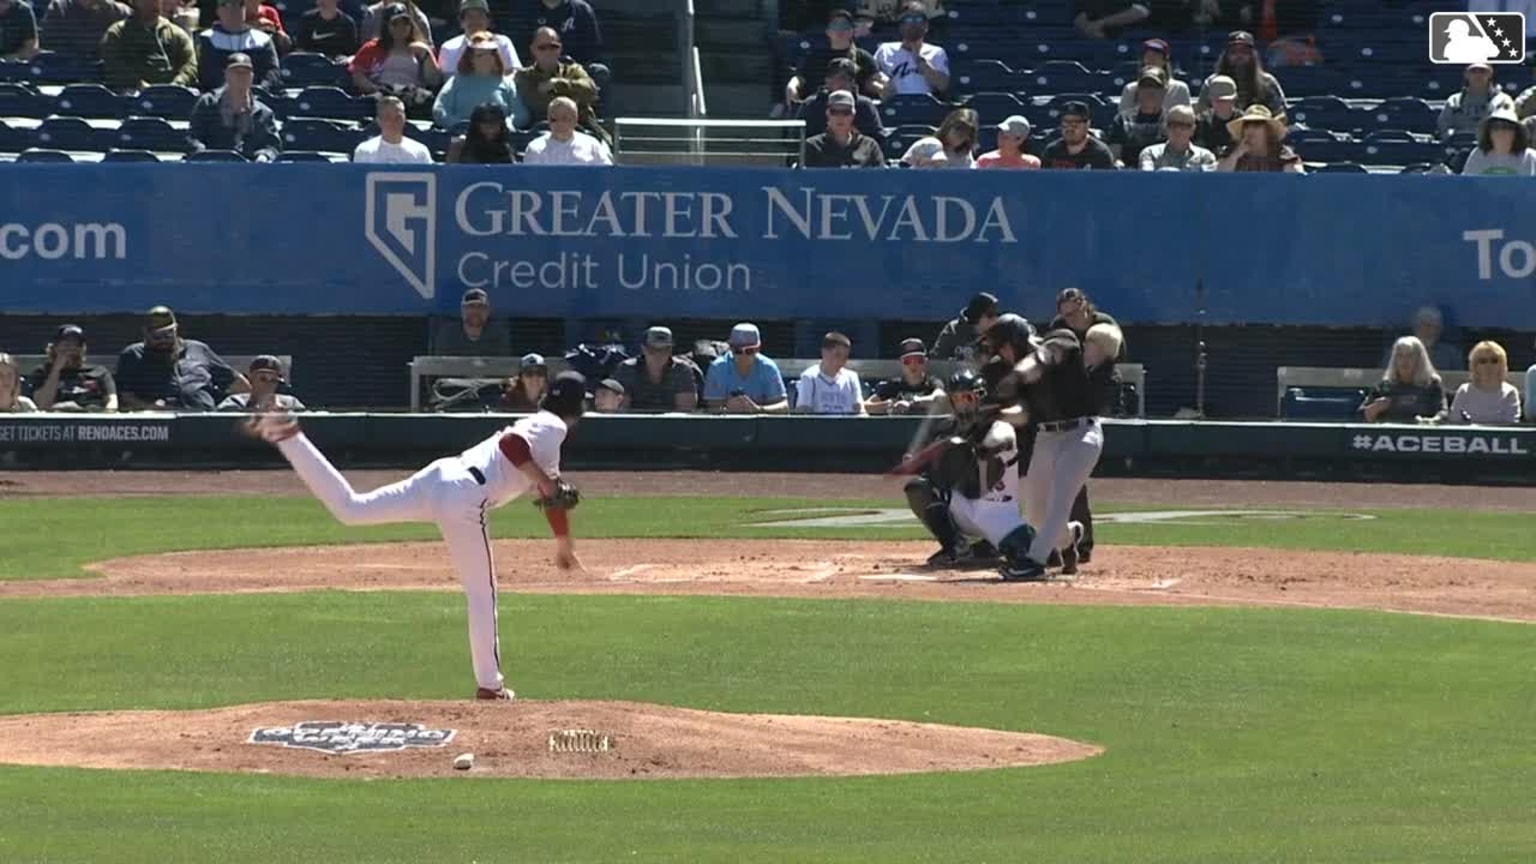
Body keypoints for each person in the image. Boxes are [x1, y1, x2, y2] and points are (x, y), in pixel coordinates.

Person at [243, 371, 591, 701]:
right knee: (481, 594)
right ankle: (491, 687)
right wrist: (544, 482)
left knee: (352, 509)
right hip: (465, 495)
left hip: (440, 475)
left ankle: (288, 436)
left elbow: (551, 493)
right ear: (579, 408)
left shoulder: (541, 426)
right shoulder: (553, 426)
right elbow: (513, 447)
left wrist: (563, 541)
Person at [994, 317, 1124, 580]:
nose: (1086, 346)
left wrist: (1020, 373)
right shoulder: (1054, 368)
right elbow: (1026, 411)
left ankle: (1034, 561)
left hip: (1081, 435)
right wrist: (994, 413)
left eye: (1093, 343)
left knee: (1060, 499)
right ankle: (1069, 537)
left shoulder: (1082, 358)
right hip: (1047, 436)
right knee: (1034, 511)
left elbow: (1050, 355)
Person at [897, 366, 1037, 572]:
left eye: (967, 398)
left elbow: (1001, 440)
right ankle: (956, 546)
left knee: (1030, 552)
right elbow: (936, 472)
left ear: (979, 398)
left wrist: (980, 448)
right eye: (958, 399)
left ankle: (995, 545)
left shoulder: (996, 426)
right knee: (918, 488)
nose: (962, 404)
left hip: (997, 510)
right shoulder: (947, 429)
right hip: (965, 507)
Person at [1047, 287, 1122, 564]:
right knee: (1059, 481)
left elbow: (1111, 361)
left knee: (1072, 480)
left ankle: (1081, 542)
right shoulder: (1059, 329)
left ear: (1085, 305)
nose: (1071, 317)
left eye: (1075, 310)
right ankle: (1059, 540)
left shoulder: (1104, 326)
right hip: (1061, 411)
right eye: (1066, 313)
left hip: (1088, 411)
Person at [114, 306, 249, 411]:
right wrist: (150, 407)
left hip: (203, 415)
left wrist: (250, 404)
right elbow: (126, 397)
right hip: (162, 418)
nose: (163, 341)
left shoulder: (198, 349)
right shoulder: (133, 355)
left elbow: (235, 382)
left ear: (176, 330)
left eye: (168, 335)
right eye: (157, 337)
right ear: (145, 333)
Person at [186, 53, 282, 162]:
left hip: (251, 169)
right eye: (236, 72)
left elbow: (272, 145)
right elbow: (193, 137)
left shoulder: (264, 113)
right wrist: (202, 154)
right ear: (226, 75)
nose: (241, 77)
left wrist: (264, 156)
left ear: (252, 77)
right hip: (212, 166)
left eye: (246, 73)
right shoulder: (207, 104)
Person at [349, 2, 440, 110]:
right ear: (386, 25)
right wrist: (375, 88)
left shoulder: (421, 49)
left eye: (405, 23)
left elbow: (434, 80)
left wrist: (425, 54)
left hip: (412, 98)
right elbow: (357, 74)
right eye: (395, 23)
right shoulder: (372, 48)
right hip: (382, 96)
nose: (400, 27)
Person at [785, 8, 882, 109]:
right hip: (819, 106)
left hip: (854, 108)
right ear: (828, 32)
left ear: (852, 31)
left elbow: (877, 79)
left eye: (845, 26)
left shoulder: (863, 57)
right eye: (835, 26)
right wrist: (792, 86)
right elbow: (799, 79)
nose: (840, 30)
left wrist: (883, 87)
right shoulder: (814, 57)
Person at [432, 32, 529, 131]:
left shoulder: (507, 83)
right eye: (480, 55)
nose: (486, 58)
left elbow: (521, 114)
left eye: (490, 54)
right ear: (471, 58)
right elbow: (439, 110)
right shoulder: (456, 82)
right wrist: (460, 126)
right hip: (463, 137)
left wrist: (506, 124)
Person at [100, 0, 198, 92]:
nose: (153, 3)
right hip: (131, 96)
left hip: (171, 95)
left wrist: (177, 83)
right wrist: (139, 84)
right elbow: (114, 64)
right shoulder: (117, 33)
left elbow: (190, 64)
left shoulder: (175, 34)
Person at [194, 0, 282, 93]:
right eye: (226, 4)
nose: (234, 9)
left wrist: (260, 89)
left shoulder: (262, 39)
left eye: (240, 4)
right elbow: (209, 73)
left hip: (259, 96)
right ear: (218, 10)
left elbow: (272, 72)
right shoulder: (207, 39)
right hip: (219, 98)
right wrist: (232, 92)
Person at [26, 324, 117, 412]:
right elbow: (41, 405)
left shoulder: (99, 372)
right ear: (54, 348)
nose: (71, 349)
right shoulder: (42, 372)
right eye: (66, 345)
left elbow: (112, 401)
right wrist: (56, 370)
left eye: (76, 345)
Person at [702, 323, 788, 414]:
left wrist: (758, 409)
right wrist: (727, 409)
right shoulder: (718, 368)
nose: (743, 355)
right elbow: (711, 408)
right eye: (738, 351)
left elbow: (784, 406)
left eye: (749, 351)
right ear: (730, 348)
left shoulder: (768, 367)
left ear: (758, 349)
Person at [1359, 336, 1446, 424]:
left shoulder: (1432, 385)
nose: (1404, 360)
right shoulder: (1384, 386)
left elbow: (1443, 413)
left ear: (1420, 359)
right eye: (1400, 356)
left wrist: (1433, 421)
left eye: (1410, 355)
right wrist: (1374, 409)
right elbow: (1359, 417)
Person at [1196, 30, 1285, 116]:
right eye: (1234, 52)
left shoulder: (1268, 82)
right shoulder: (1212, 82)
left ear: (1252, 56)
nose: (1239, 56)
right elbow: (1202, 115)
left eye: (1244, 52)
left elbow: (1281, 114)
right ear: (1226, 56)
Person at [612, 326, 699, 412]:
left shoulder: (682, 370)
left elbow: (685, 411)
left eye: (665, 350)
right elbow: (621, 410)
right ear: (643, 348)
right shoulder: (626, 369)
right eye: (652, 350)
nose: (658, 355)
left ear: (671, 350)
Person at [873, 1, 949, 97]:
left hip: (925, 104)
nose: (913, 24)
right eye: (908, 19)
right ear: (900, 25)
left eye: (918, 19)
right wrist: (881, 86)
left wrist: (920, 60)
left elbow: (943, 86)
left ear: (926, 26)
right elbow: (871, 79)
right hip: (893, 102)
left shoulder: (937, 52)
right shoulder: (885, 49)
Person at [796, 57, 884, 139]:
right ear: (827, 80)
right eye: (838, 78)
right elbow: (797, 136)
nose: (843, 82)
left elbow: (877, 137)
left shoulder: (864, 105)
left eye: (848, 78)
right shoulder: (811, 104)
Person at [801, 90, 886, 168]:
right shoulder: (812, 146)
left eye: (846, 112)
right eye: (834, 112)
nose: (840, 117)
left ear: (853, 115)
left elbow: (880, 178)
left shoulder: (869, 146)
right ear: (827, 114)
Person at [1446, 341, 1521, 425]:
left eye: (1494, 361)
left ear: (1502, 364)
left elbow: (1511, 424)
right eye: (1482, 361)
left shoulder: (1510, 392)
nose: (1488, 365)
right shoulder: (1464, 391)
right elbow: (1455, 421)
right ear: (1474, 366)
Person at [522, 95, 612, 165]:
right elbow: (530, 183)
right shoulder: (535, 148)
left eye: (565, 119)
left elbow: (606, 175)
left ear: (575, 120)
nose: (559, 124)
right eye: (554, 119)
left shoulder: (592, 145)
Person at [1107, 66, 1168, 167]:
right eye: (1145, 86)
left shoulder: (1172, 120)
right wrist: (1117, 163)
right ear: (1138, 90)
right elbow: (1115, 155)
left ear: (1164, 90)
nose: (1150, 91)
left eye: (1155, 87)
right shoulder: (1122, 119)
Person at [1438, 62, 1516, 141]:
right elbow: (1444, 125)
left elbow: (1507, 127)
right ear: (1466, 75)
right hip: (1458, 145)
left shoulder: (1503, 99)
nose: (1478, 75)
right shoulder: (1454, 100)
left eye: (1482, 71)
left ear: (1490, 75)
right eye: (1473, 71)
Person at [437, 0, 517, 76]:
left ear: (488, 21)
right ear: (461, 22)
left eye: (480, 16)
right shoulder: (448, 47)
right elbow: (446, 79)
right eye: (470, 16)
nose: (475, 21)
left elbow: (514, 72)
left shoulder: (503, 43)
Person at [865, 337, 944, 415]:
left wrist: (913, 403)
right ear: (901, 363)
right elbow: (865, 406)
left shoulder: (933, 382)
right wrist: (888, 406)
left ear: (925, 362)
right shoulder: (893, 385)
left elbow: (940, 398)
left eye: (919, 360)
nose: (913, 365)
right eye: (907, 361)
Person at [1216, 104, 1303, 173]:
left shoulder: (1283, 154)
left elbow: (1296, 181)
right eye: (1246, 125)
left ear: (1268, 131)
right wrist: (1236, 155)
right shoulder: (1231, 152)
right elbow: (1217, 178)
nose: (1250, 130)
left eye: (1257, 125)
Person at [794, 332, 865, 415]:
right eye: (837, 355)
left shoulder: (851, 378)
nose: (842, 361)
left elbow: (859, 410)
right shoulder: (809, 377)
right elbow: (803, 411)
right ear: (824, 352)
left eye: (845, 357)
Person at [1117, 38, 1190, 117]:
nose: (1151, 59)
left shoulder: (1179, 89)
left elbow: (1186, 118)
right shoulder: (1130, 89)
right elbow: (1123, 117)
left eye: (1156, 55)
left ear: (1165, 60)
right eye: (1148, 55)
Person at [39, 0, 130, 63]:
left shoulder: (120, 12)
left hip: (108, 79)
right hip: (67, 74)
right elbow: (50, 49)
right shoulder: (59, 8)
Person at [353, 95, 434, 163]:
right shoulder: (364, 151)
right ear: (379, 121)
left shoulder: (420, 151)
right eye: (388, 117)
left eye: (398, 117)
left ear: (404, 119)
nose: (393, 121)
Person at [1041, 101, 1117, 169]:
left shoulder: (1100, 153)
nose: (1070, 127)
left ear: (1087, 124)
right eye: (1066, 122)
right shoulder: (1052, 151)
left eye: (1075, 122)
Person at [930, 291, 1002, 363]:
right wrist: (956, 362)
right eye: (990, 315)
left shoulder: (997, 334)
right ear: (977, 315)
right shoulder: (953, 329)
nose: (995, 319)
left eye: (997, 315)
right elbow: (936, 358)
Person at [1461, 108, 1536, 176]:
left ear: (1516, 132)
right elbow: (1468, 186)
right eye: (1496, 127)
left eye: (1507, 127)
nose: (1501, 132)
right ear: (1488, 132)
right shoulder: (1477, 154)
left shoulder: (1530, 157)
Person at [1139, 104, 1214, 171]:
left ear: (1192, 130)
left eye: (1184, 126)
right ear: (1166, 128)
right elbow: (1147, 178)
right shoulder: (1150, 153)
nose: (1178, 130)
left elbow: (1207, 182)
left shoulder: (1204, 156)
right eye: (1173, 125)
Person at [218, 355, 305, 412]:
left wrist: (285, 413)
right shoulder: (236, 401)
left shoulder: (291, 402)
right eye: (263, 379)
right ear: (252, 379)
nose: (268, 384)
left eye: (273, 380)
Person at [901, 107, 977, 169]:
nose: (960, 134)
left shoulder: (965, 154)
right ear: (948, 127)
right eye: (958, 128)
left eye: (967, 131)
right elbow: (902, 168)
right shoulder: (929, 143)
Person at [446, 102, 517, 163]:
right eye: (485, 122)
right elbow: (448, 173)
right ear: (476, 124)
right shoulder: (459, 145)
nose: (490, 127)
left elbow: (514, 171)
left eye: (495, 122)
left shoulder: (505, 148)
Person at [1194, 74, 1239, 154]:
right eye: (1217, 101)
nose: (1220, 104)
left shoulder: (1242, 122)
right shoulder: (1201, 122)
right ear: (1211, 100)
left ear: (1234, 100)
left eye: (1225, 101)